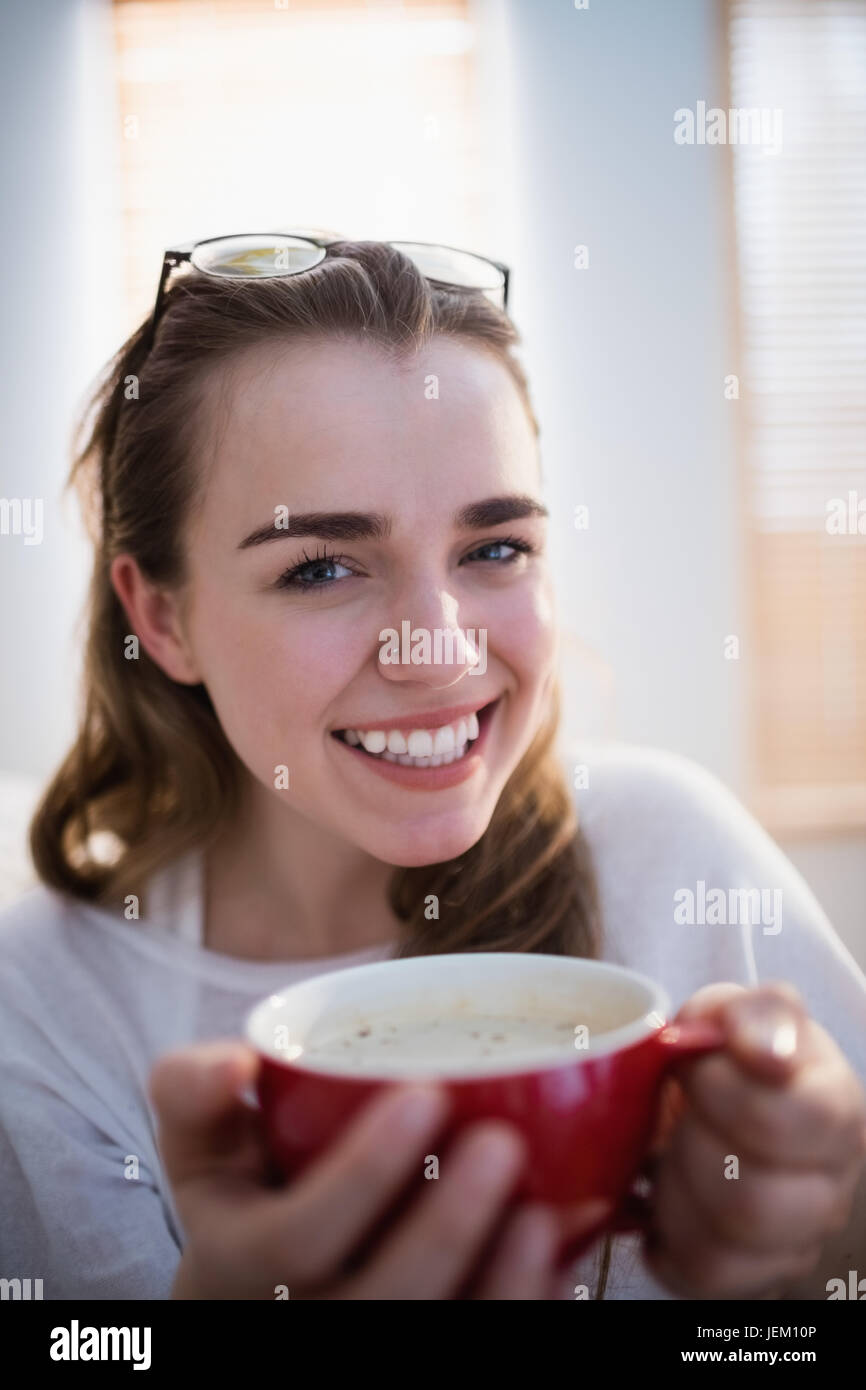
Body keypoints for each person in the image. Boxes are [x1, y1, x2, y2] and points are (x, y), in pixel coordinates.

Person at [1, 237, 864, 1301]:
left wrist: (832, 1244)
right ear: (162, 618)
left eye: (492, 549)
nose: (440, 650)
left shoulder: (675, 852)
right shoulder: (39, 1007)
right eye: (320, 567)